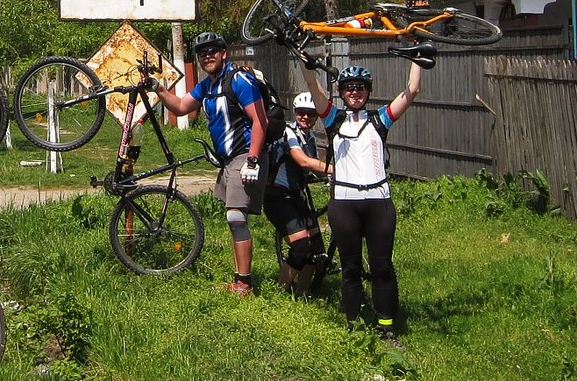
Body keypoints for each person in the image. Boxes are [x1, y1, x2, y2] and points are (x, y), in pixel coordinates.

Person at [300, 45, 433, 339]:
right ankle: (354, 325)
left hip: (378, 203)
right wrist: (305, 60)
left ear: (368, 91)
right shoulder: (333, 119)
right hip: (345, 204)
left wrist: (418, 56)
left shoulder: (380, 119)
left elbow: (412, 90)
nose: (355, 92)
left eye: (360, 88)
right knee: (350, 268)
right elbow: (312, 85)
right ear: (342, 92)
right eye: (349, 88)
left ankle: (386, 327)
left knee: (382, 266)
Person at [155, 30, 269, 296]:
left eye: (213, 51)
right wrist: (158, 88)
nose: (208, 56)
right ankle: (239, 277)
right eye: (202, 53)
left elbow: (260, 121)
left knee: (235, 216)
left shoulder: (238, 80)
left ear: (223, 53)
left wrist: (252, 161)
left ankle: (244, 284)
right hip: (228, 160)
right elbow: (182, 106)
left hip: (245, 154)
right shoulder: (208, 85)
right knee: (234, 218)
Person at [264, 91, 329, 294]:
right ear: (295, 112)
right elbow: (303, 161)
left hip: (296, 196)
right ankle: (281, 293)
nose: (305, 118)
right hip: (277, 197)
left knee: (316, 251)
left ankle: (302, 294)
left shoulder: (309, 138)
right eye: (301, 113)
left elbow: (311, 169)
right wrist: (338, 169)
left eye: (311, 114)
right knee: (301, 247)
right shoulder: (288, 132)